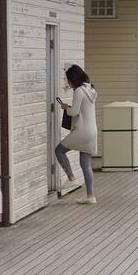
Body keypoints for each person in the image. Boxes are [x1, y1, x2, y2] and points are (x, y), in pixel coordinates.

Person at [55, 65, 98, 204]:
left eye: (68, 80)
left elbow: (74, 112)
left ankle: (71, 178)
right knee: (86, 164)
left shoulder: (79, 91)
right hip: (92, 131)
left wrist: (65, 107)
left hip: (81, 131)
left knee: (59, 150)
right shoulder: (91, 89)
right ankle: (90, 196)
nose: (68, 83)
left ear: (73, 78)